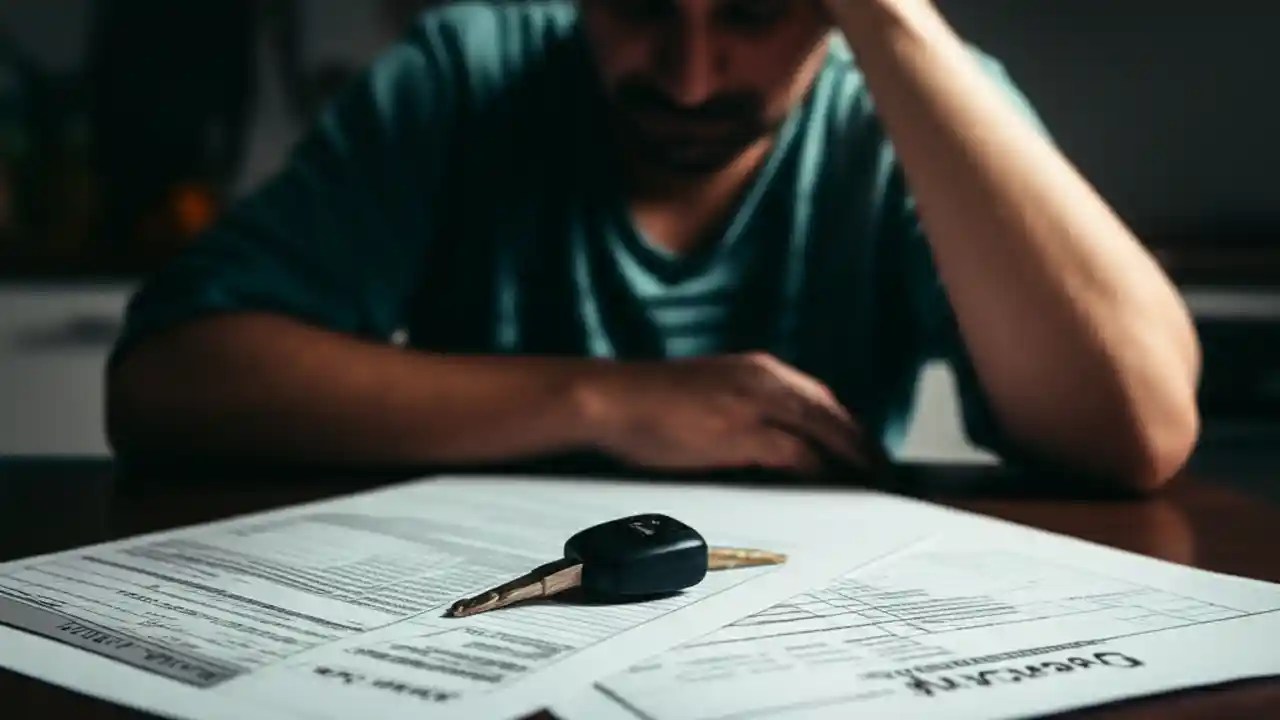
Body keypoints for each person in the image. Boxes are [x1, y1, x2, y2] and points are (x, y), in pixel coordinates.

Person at [105, 0, 1202, 490]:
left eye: (754, 13)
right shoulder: (467, 70)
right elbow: (167, 382)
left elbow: (1136, 430)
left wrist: (894, 20)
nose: (688, 77)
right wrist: (609, 399)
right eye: (637, 7)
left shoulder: (914, 109)